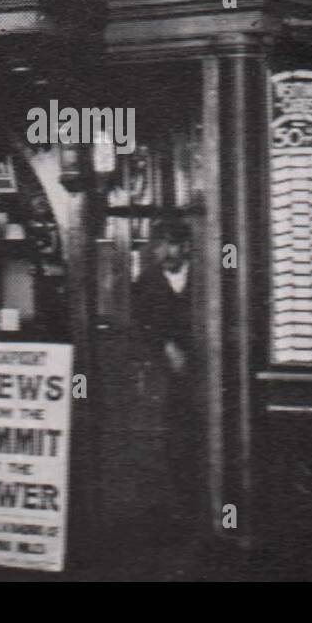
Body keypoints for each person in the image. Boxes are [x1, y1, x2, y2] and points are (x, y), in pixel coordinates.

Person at [130, 216, 200, 545]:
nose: (164, 251)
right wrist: (165, 346)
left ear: (186, 247)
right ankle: (179, 509)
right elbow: (142, 323)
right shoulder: (146, 281)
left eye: (171, 244)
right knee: (172, 438)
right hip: (164, 376)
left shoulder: (205, 277)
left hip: (205, 373)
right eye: (159, 245)